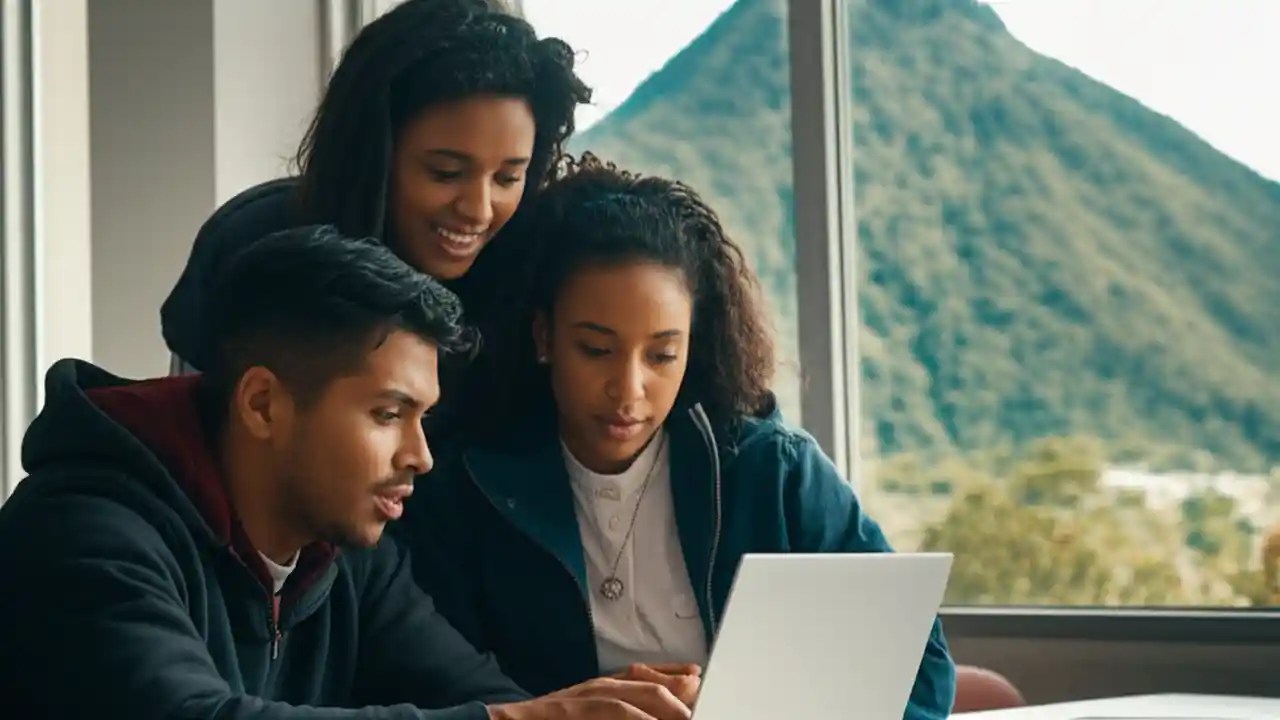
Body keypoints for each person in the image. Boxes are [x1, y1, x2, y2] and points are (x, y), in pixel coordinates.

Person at [0, 226, 693, 720]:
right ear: (264, 404)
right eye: (389, 414)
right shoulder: (84, 530)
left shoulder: (342, 556)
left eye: (423, 418)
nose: (420, 454)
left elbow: (483, 697)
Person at [398, 154, 958, 718]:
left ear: (694, 347)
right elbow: (447, 689)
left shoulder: (774, 472)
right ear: (544, 337)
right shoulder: (468, 488)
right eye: (596, 350)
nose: (629, 390)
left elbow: (920, 669)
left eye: (663, 354)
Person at [161, 0, 590, 382]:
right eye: (445, 172)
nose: (478, 211)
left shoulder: (536, 274)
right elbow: (178, 446)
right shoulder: (251, 242)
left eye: (507, 178)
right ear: (371, 154)